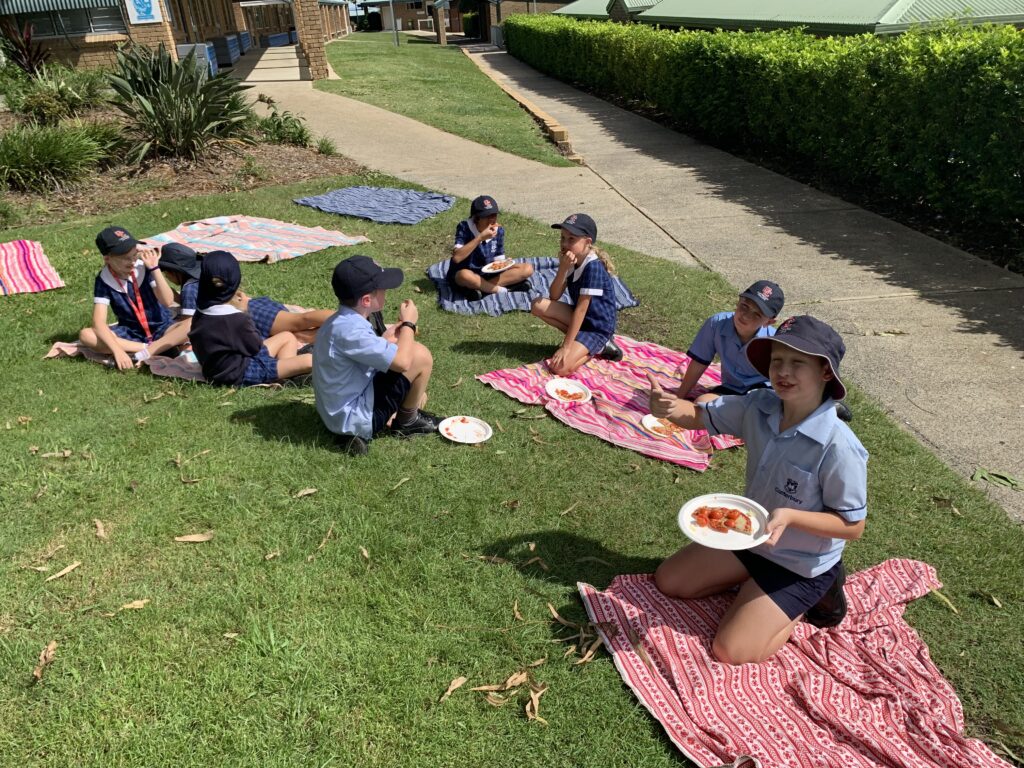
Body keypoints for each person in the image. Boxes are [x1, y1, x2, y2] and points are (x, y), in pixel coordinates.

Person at [648, 315, 867, 665]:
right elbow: (701, 415)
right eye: (777, 361)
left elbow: (853, 526)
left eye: (798, 363)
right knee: (669, 581)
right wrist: (672, 408)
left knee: (731, 650)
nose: (783, 371)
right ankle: (751, 585)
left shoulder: (839, 446)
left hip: (800, 563)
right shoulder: (759, 405)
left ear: (826, 373)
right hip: (749, 537)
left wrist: (791, 516)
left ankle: (816, 591)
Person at [313, 255, 444, 456]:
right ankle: (406, 421)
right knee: (420, 355)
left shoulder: (340, 322)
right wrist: (409, 323)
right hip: (351, 416)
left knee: (418, 391)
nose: (386, 291)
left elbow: (362, 353)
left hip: (336, 411)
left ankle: (356, 432)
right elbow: (402, 362)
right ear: (367, 300)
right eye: (382, 289)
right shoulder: (352, 331)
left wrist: (387, 338)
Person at [158, 243, 333, 342]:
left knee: (300, 320)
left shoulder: (190, 288)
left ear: (174, 273)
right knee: (298, 333)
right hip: (250, 310)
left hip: (251, 314)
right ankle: (338, 328)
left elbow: (188, 322)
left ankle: (348, 319)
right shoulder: (199, 282)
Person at [187, 251, 312, 386]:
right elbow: (255, 347)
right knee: (309, 361)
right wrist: (245, 311)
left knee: (287, 337)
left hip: (214, 369)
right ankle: (287, 374)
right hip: (239, 373)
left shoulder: (201, 311)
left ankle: (286, 376)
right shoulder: (236, 319)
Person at [78, 226, 191, 370]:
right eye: (125, 258)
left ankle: (141, 353)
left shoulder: (143, 267)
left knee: (193, 323)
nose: (132, 261)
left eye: (134, 255)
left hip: (163, 326)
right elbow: (98, 323)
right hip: (131, 333)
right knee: (86, 335)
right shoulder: (104, 280)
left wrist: (155, 269)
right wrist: (117, 351)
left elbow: (168, 301)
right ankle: (157, 348)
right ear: (107, 259)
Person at [531, 213, 621, 375]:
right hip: (583, 320)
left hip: (597, 328)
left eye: (571, 239)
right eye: (562, 238)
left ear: (587, 242)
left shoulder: (593, 267)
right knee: (537, 305)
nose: (564, 244)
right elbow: (554, 296)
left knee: (558, 368)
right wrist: (563, 269)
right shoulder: (573, 260)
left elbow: (581, 309)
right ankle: (580, 343)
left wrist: (566, 347)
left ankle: (602, 346)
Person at [676, 280, 784, 404]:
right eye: (745, 306)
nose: (746, 316)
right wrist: (678, 398)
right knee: (701, 404)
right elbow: (699, 363)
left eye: (757, 314)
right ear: (738, 301)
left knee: (755, 415)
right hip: (731, 389)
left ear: (768, 322)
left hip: (762, 392)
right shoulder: (716, 324)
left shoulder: (775, 342)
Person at [449, 195, 534, 300]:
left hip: (488, 275)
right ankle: (502, 290)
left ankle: (483, 289)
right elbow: (457, 258)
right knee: (465, 275)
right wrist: (479, 238)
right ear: (476, 218)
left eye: (494, 215)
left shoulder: (499, 230)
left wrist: (505, 263)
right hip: (466, 274)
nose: (492, 219)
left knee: (527, 269)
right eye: (487, 216)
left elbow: (497, 260)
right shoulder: (465, 227)